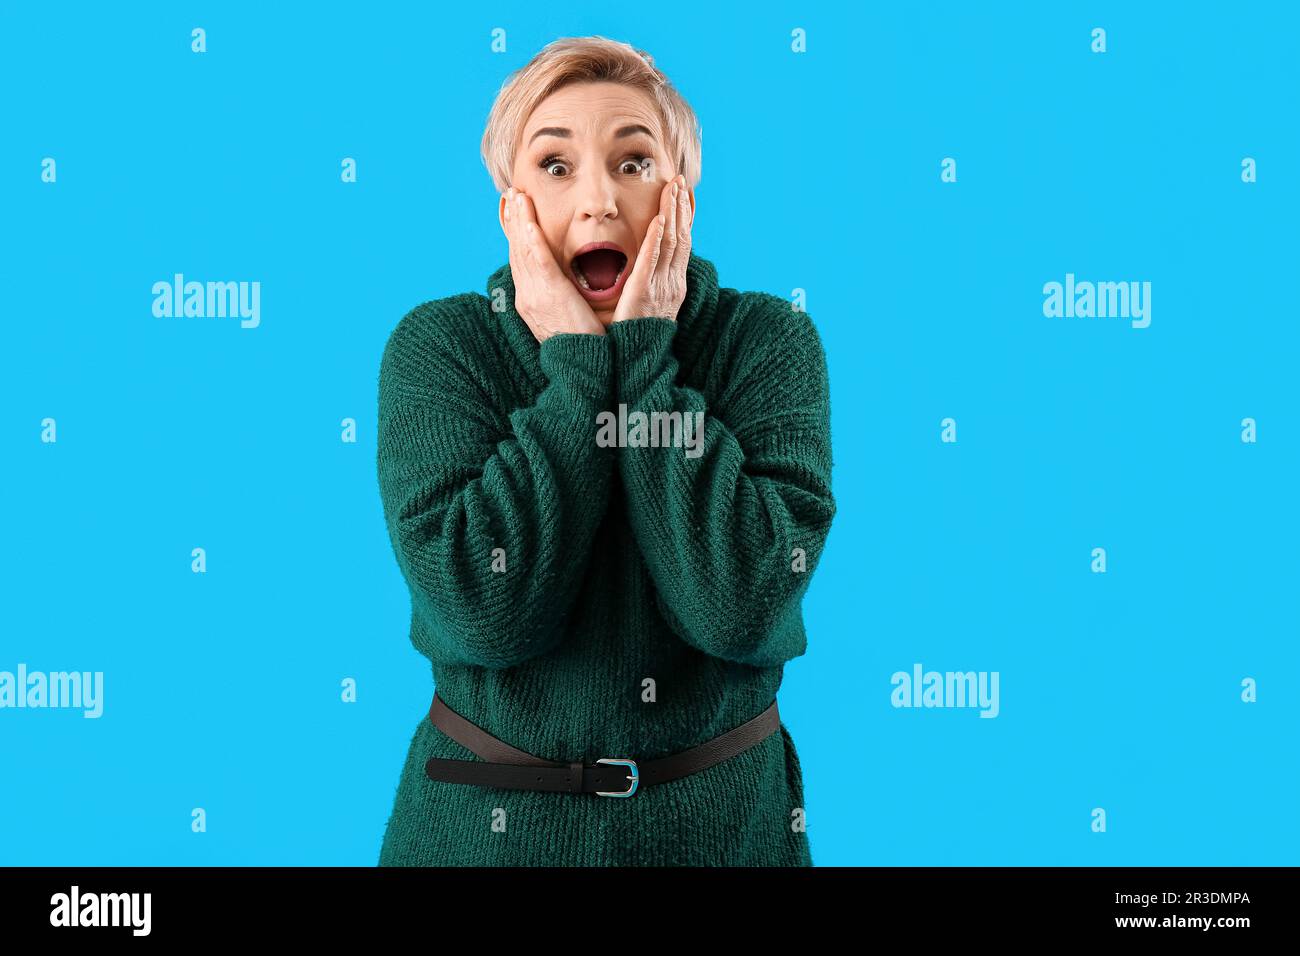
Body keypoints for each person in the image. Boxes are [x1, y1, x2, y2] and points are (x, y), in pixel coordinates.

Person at [376, 35, 835, 866]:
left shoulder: (767, 341)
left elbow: (742, 608)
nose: (598, 201)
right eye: (555, 166)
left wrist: (648, 358)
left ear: (680, 191)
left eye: (633, 162)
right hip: (482, 841)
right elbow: (485, 614)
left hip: (725, 837)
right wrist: (581, 374)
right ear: (511, 203)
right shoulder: (440, 348)